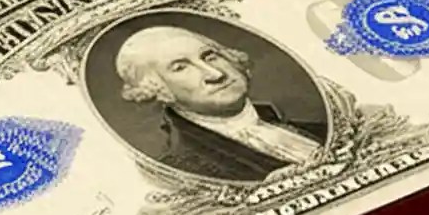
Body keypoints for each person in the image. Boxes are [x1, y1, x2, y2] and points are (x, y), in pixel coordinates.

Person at [114, 25, 326, 182]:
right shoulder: (185, 175)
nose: (215, 74)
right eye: (180, 67)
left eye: (210, 56)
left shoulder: (320, 130)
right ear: (157, 90)